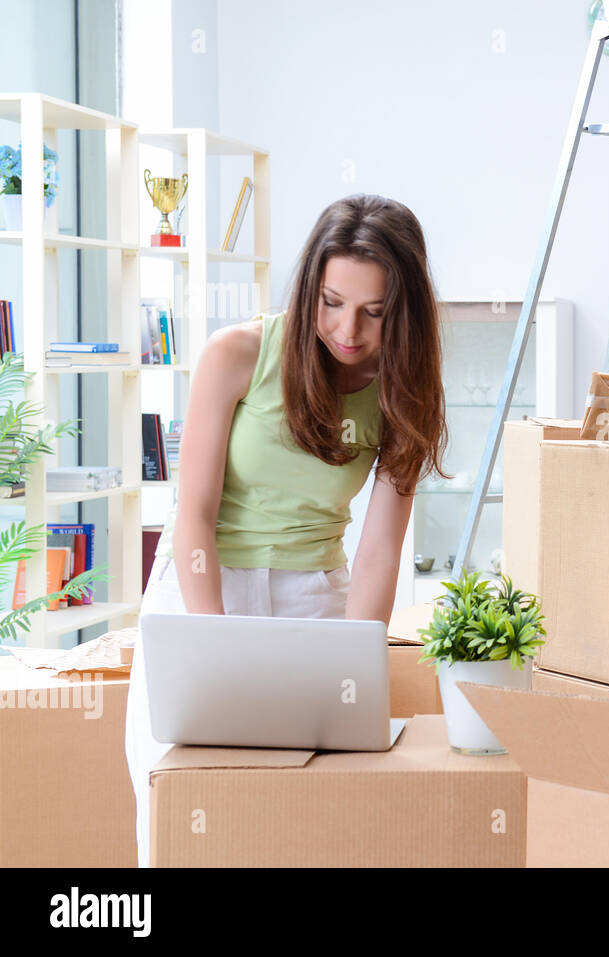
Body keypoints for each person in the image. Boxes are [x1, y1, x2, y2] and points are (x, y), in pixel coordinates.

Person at [124, 194, 449, 867]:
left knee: (304, 827)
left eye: (374, 311)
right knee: (180, 815)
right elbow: (193, 515)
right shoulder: (237, 353)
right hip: (203, 591)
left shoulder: (400, 394)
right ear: (310, 287)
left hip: (315, 606)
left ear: (404, 311)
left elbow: (380, 550)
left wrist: (359, 673)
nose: (347, 329)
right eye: (331, 301)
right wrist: (212, 643)